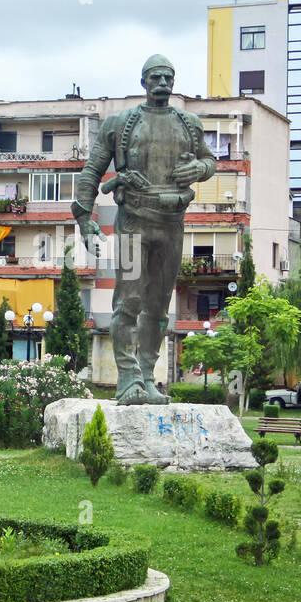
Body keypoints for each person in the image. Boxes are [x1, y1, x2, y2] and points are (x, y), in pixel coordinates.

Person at [74, 54, 217, 405]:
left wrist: (199, 167)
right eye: (156, 77)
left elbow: (211, 162)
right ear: (143, 82)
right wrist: (83, 217)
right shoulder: (120, 123)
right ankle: (127, 378)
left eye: (168, 77)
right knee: (128, 301)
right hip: (132, 224)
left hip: (172, 225)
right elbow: (92, 170)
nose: (163, 83)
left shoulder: (189, 123)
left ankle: (148, 379)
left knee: (158, 306)